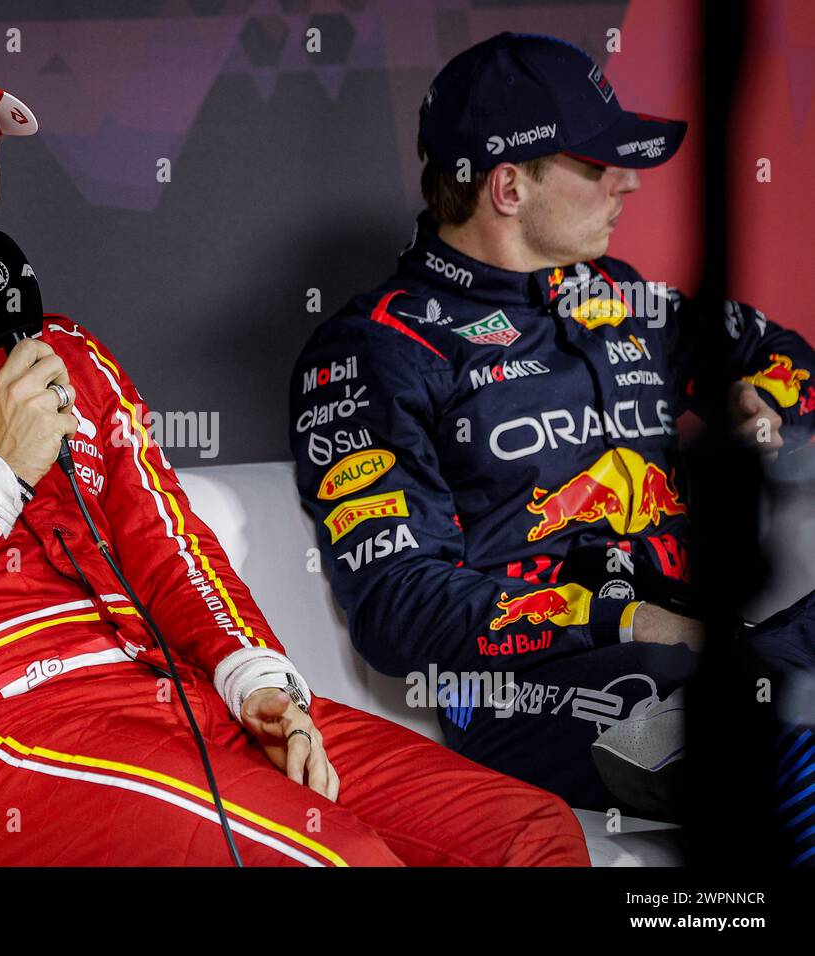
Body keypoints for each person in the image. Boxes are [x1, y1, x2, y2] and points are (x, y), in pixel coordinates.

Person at [0, 27, 588, 866]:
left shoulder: (60, 346)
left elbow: (167, 542)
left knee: (529, 832)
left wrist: (256, 681)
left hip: (183, 698)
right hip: (8, 727)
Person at [289, 32, 815, 812]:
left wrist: (765, 397)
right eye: (599, 167)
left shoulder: (621, 297)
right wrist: (628, 619)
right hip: (531, 691)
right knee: (770, 720)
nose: (625, 187)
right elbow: (398, 604)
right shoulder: (375, 348)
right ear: (509, 187)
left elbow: (783, 354)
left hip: (714, 644)